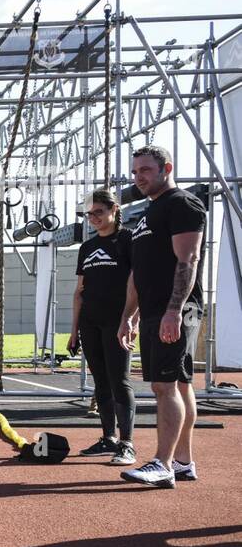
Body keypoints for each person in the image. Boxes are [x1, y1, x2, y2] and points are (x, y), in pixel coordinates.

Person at [119, 145, 206, 488]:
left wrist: (174, 310)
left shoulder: (181, 204)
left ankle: (163, 464)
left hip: (176, 310)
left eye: (145, 170)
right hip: (155, 310)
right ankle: (183, 462)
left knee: (164, 386)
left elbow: (188, 261)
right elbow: (140, 272)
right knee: (180, 386)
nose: (139, 177)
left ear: (166, 168)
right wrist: (130, 315)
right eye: (135, 172)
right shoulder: (146, 214)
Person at [68, 189, 136, 466]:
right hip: (90, 322)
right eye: (90, 213)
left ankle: (127, 444)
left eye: (99, 212)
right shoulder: (87, 247)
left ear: (114, 209)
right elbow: (79, 292)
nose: (94, 218)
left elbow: (138, 284)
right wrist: (74, 332)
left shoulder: (128, 240)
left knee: (120, 382)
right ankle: (108, 438)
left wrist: (132, 320)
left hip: (117, 321)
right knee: (101, 382)